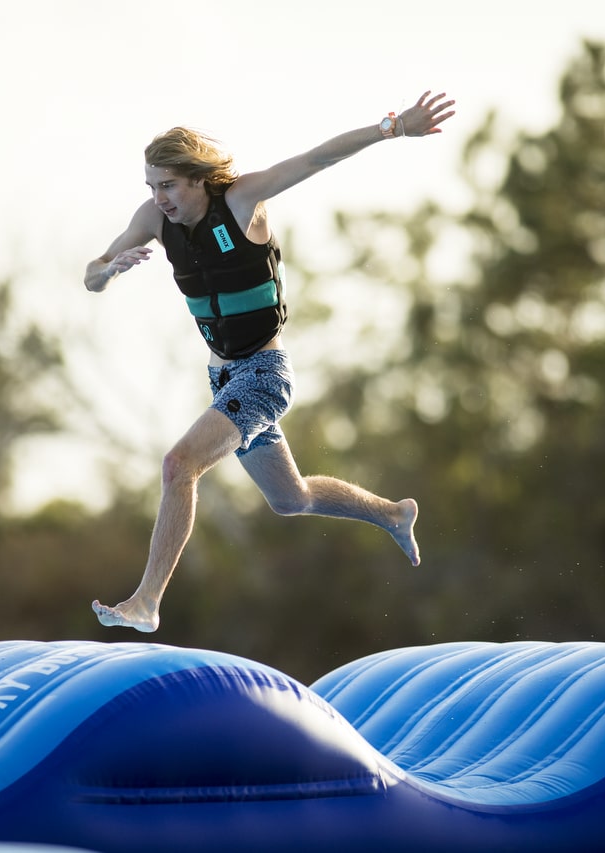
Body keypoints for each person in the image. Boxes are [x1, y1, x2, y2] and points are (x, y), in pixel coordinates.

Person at [85, 90, 457, 632]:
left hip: (263, 376)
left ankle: (146, 602)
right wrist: (110, 268)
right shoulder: (153, 220)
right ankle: (394, 513)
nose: (158, 198)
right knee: (291, 498)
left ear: (198, 179)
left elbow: (316, 158)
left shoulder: (241, 201)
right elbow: (91, 276)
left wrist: (393, 127)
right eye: (151, 187)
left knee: (178, 466)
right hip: (222, 378)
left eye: (168, 185)